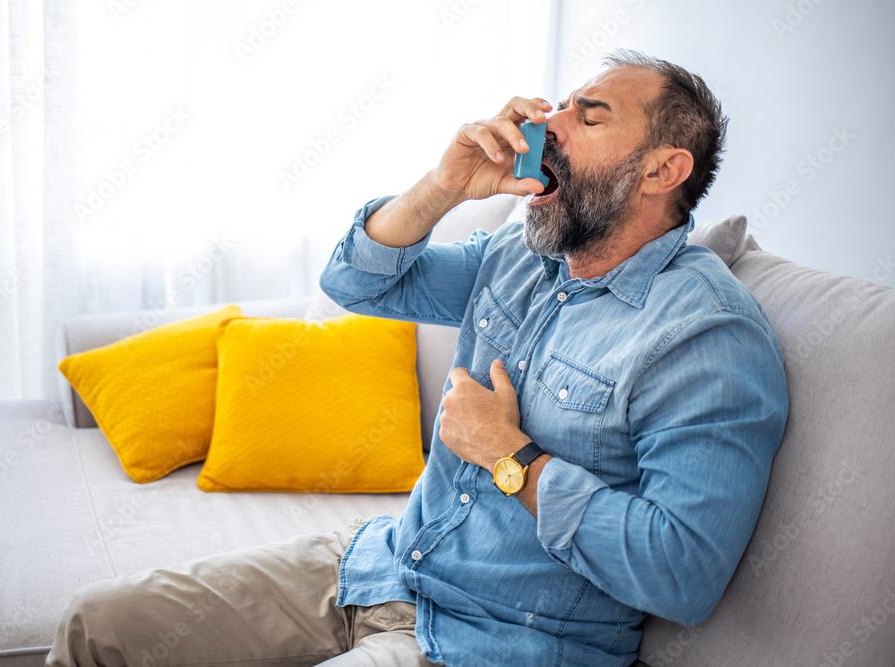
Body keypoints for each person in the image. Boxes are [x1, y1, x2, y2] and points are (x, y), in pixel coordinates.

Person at [47, 49, 788, 667]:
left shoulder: (705, 337)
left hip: (497, 641)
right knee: (97, 624)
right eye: (560, 106)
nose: (548, 125)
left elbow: (680, 572)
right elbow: (355, 282)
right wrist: (444, 186)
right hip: (384, 565)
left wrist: (507, 456)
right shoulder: (524, 255)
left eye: (587, 116)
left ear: (662, 171)